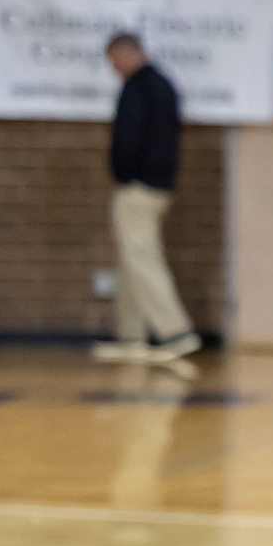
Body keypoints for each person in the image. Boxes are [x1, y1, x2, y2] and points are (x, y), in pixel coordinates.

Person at [97, 35, 201, 366]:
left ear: (126, 53)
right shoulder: (164, 85)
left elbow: (128, 136)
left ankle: (175, 332)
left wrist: (124, 174)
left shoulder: (137, 88)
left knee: (142, 258)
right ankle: (132, 336)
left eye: (113, 60)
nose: (112, 68)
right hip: (159, 185)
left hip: (139, 185)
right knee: (131, 259)